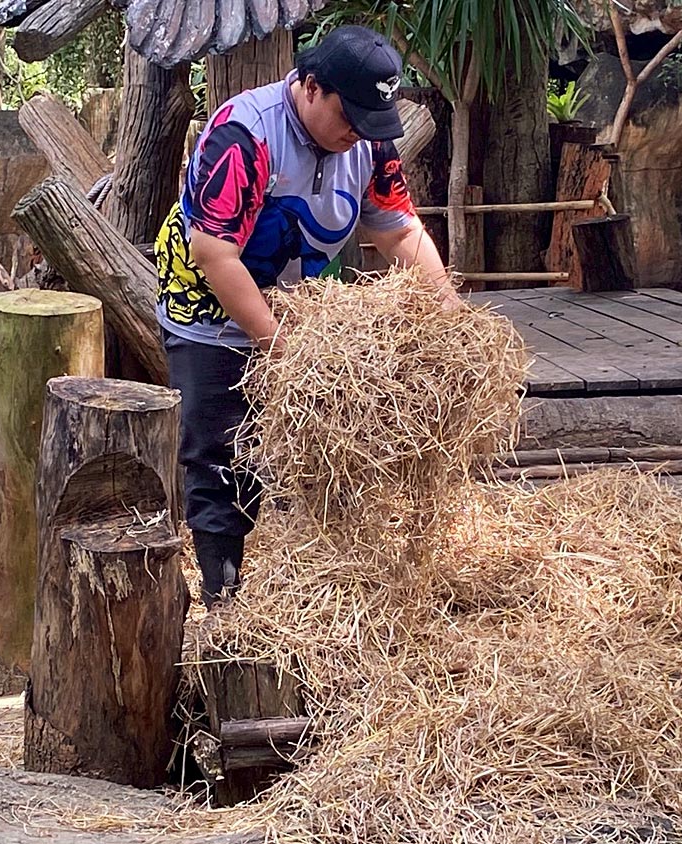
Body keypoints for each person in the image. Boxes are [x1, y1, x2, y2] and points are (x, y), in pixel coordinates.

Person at [153, 24, 460, 608]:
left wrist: (448, 310)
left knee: (329, 454)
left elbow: (398, 228)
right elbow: (214, 253)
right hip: (211, 311)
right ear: (312, 87)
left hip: (305, 317)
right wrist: (280, 346)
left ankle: (326, 596)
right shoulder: (245, 135)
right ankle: (224, 601)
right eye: (352, 119)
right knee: (222, 456)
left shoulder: (366, 141)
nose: (359, 136)